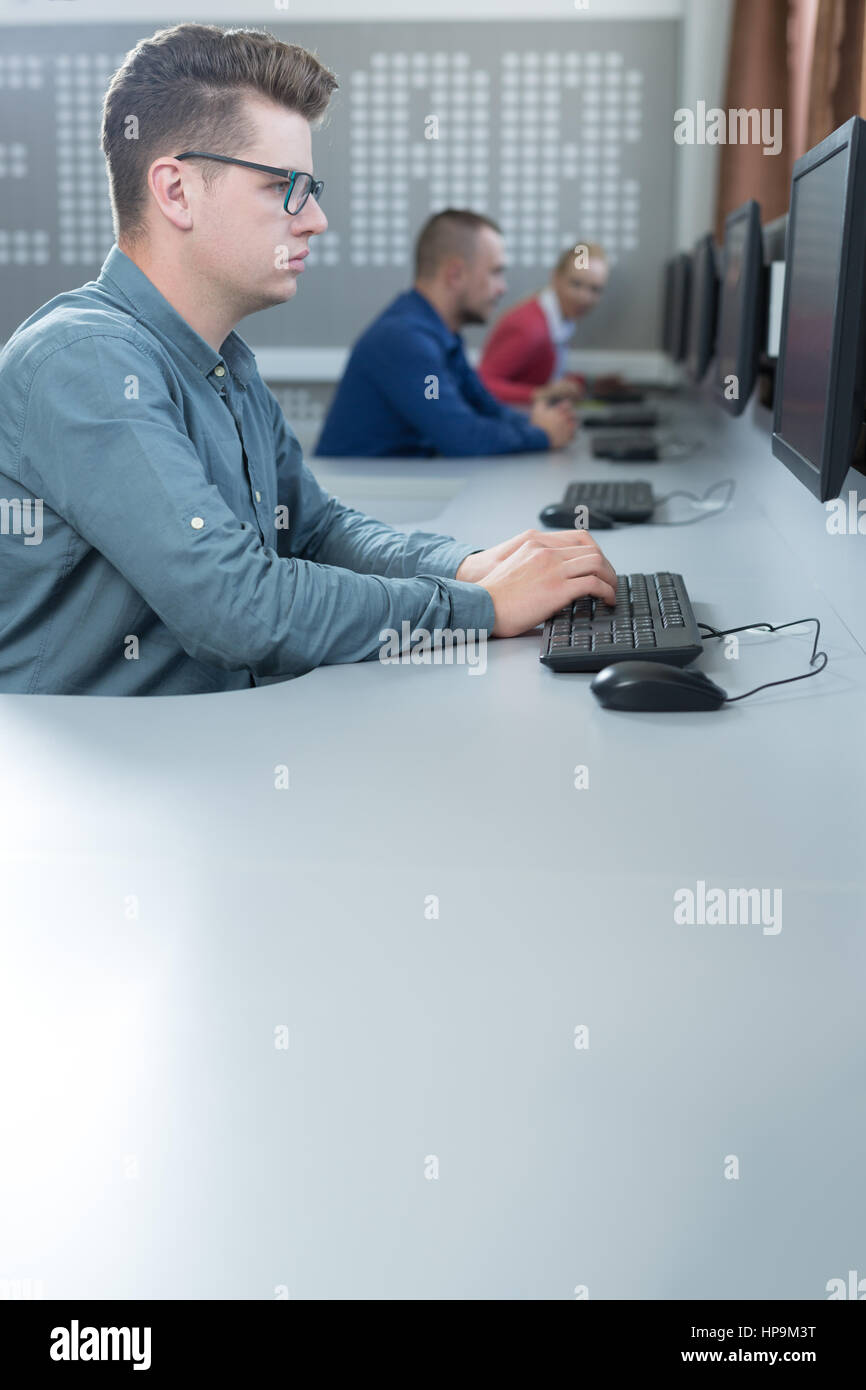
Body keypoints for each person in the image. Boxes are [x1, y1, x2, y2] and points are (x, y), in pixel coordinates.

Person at [0, 23, 615, 697]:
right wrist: (484, 609)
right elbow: (236, 606)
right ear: (177, 192)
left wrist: (469, 566)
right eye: (283, 187)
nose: (315, 218)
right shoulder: (84, 361)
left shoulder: (224, 362)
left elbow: (317, 532)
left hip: (194, 750)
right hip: (95, 786)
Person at [315, 209, 577, 457]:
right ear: (455, 274)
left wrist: (538, 421)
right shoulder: (406, 339)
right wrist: (540, 434)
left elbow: (485, 407)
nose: (503, 288)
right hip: (362, 495)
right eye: (496, 272)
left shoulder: (441, 335)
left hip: (393, 487)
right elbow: (462, 437)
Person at [478, 243, 625, 406]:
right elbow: (482, 385)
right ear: (556, 278)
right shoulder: (530, 328)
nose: (585, 298)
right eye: (576, 284)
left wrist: (589, 383)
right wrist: (539, 394)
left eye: (595, 289)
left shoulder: (557, 320)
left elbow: (540, 375)